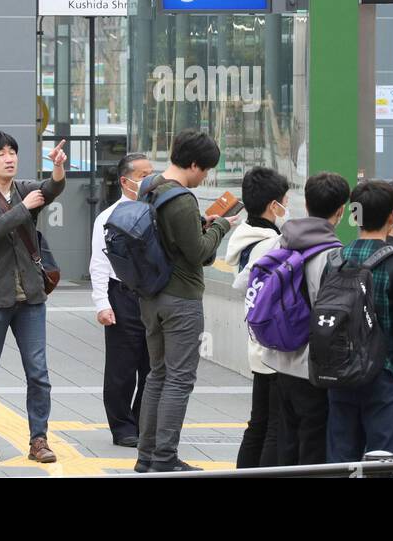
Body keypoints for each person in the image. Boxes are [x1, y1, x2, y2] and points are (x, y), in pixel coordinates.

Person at [134, 129, 239, 473]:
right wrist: (221, 225)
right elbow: (199, 253)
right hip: (180, 299)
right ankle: (164, 458)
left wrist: (200, 223)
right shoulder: (181, 199)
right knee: (179, 379)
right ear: (193, 164)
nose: (205, 176)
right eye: (205, 170)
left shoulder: (148, 185)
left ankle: (146, 457)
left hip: (151, 294)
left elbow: (165, 235)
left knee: (157, 375)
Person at [0, 131, 67, 463]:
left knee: (39, 372)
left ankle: (39, 440)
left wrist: (58, 169)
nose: (9, 158)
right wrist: (24, 208)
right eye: (0, 153)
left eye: (12, 152)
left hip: (31, 297)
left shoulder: (25, 188)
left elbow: (52, 189)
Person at [247, 172, 348, 466]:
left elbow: (247, 285)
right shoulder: (332, 254)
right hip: (312, 367)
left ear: (306, 202)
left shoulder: (281, 242)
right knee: (313, 445)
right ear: (340, 210)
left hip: (278, 360)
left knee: (286, 441)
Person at [322, 180, 393, 464]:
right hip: (385, 373)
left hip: (341, 373)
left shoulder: (335, 259)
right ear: (392, 216)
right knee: (385, 460)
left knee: (341, 457)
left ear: (355, 215)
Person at [225, 165, 289, 468]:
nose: (286, 207)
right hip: (273, 341)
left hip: (257, 338)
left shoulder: (245, 235)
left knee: (259, 421)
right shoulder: (270, 244)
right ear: (272, 205)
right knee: (275, 424)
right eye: (284, 201)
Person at [90, 151, 154, 448]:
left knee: (152, 365)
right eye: (143, 176)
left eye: (152, 175)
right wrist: (102, 304)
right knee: (122, 367)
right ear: (125, 181)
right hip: (122, 296)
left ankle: (143, 422)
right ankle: (122, 427)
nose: (150, 181)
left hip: (153, 297)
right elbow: (99, 263)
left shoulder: (158, 211)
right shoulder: (109, 217)